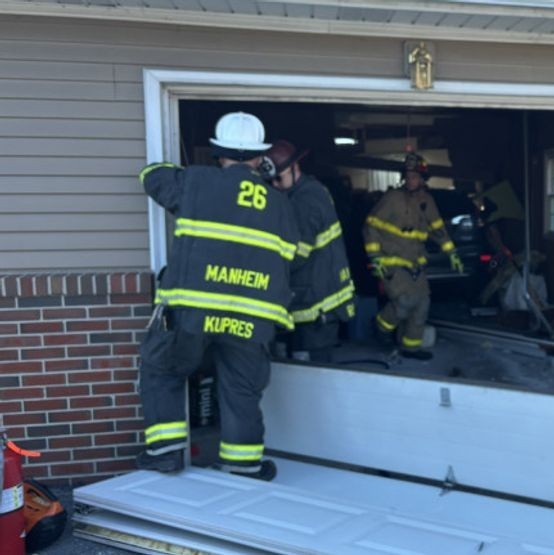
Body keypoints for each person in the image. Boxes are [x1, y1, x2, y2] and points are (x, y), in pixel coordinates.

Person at [135, 112, 299, 481]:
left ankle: (165, 453)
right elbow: (292, 255)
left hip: (194, 311)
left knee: (162, 370)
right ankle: (244, 466)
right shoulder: (280, 204)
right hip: (252, 316)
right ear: (259, 158)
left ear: (218, 153)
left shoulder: (195, 182)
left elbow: (152, 176)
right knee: (241, 388)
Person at [363, 152, 464, 360]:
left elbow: (438, 229)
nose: (411, 180)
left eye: (415, 176)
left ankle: (411, 348)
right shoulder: (392, 199)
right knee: (405, 302)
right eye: (408, 176)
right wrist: (374, 256)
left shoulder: (427, 201)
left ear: (423, 179)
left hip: (416, 262)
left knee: (422, 305)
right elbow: (370, 226)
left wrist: (452, 253)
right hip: (392, 261)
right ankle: (380, 328)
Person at [266, 140, 355, 362]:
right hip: (309, 298)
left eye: (279, 178)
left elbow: (296, 255)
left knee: (310, 371)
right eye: (270, 180)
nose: (275, 185)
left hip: (317, 307)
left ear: (296, 167)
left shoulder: (305, 200)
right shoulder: (299, 193)